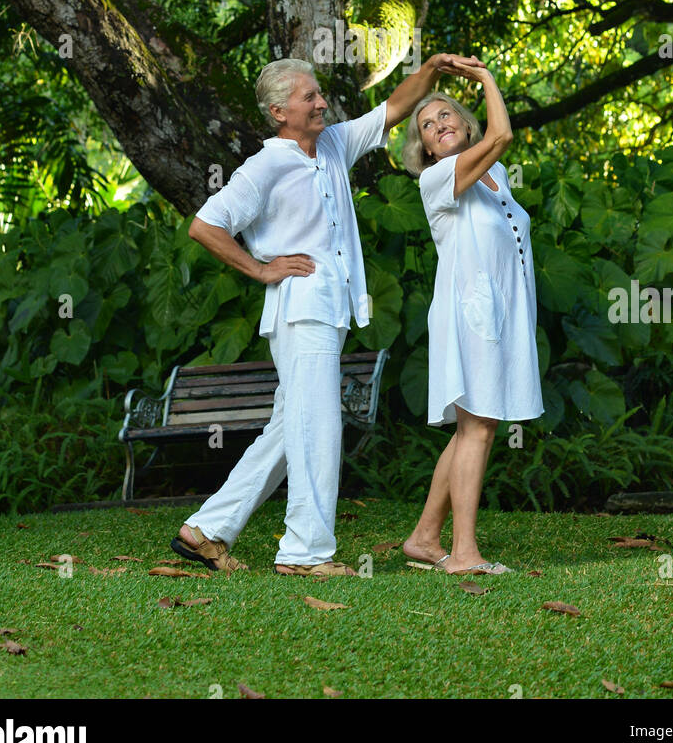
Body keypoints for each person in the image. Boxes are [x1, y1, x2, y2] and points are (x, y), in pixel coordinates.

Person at [171, 51, 480, 577]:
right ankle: (304, 553)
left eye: (318, 92)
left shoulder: (334, 142)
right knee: (317, 428)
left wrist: (432, 69)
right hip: (301, 309)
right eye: (308, 96)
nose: (321, 102)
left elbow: (392, 109)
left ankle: (207, 529)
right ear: (278, 112)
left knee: (289, 429)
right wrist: (261, 268)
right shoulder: (266, 164)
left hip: (328, 310)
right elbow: (206, 224)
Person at [400, 60, 543, 576]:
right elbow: (502, 133)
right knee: (479, 427)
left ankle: (423, 537)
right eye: (427, 128)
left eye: (444, 115)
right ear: (429, 151)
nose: (437, 125)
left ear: (462, 122)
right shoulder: (440, 178)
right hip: (470, 314)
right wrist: (486, 79)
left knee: (470, 428)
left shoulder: (496, 176)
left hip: (501, 313)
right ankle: (463, 554)